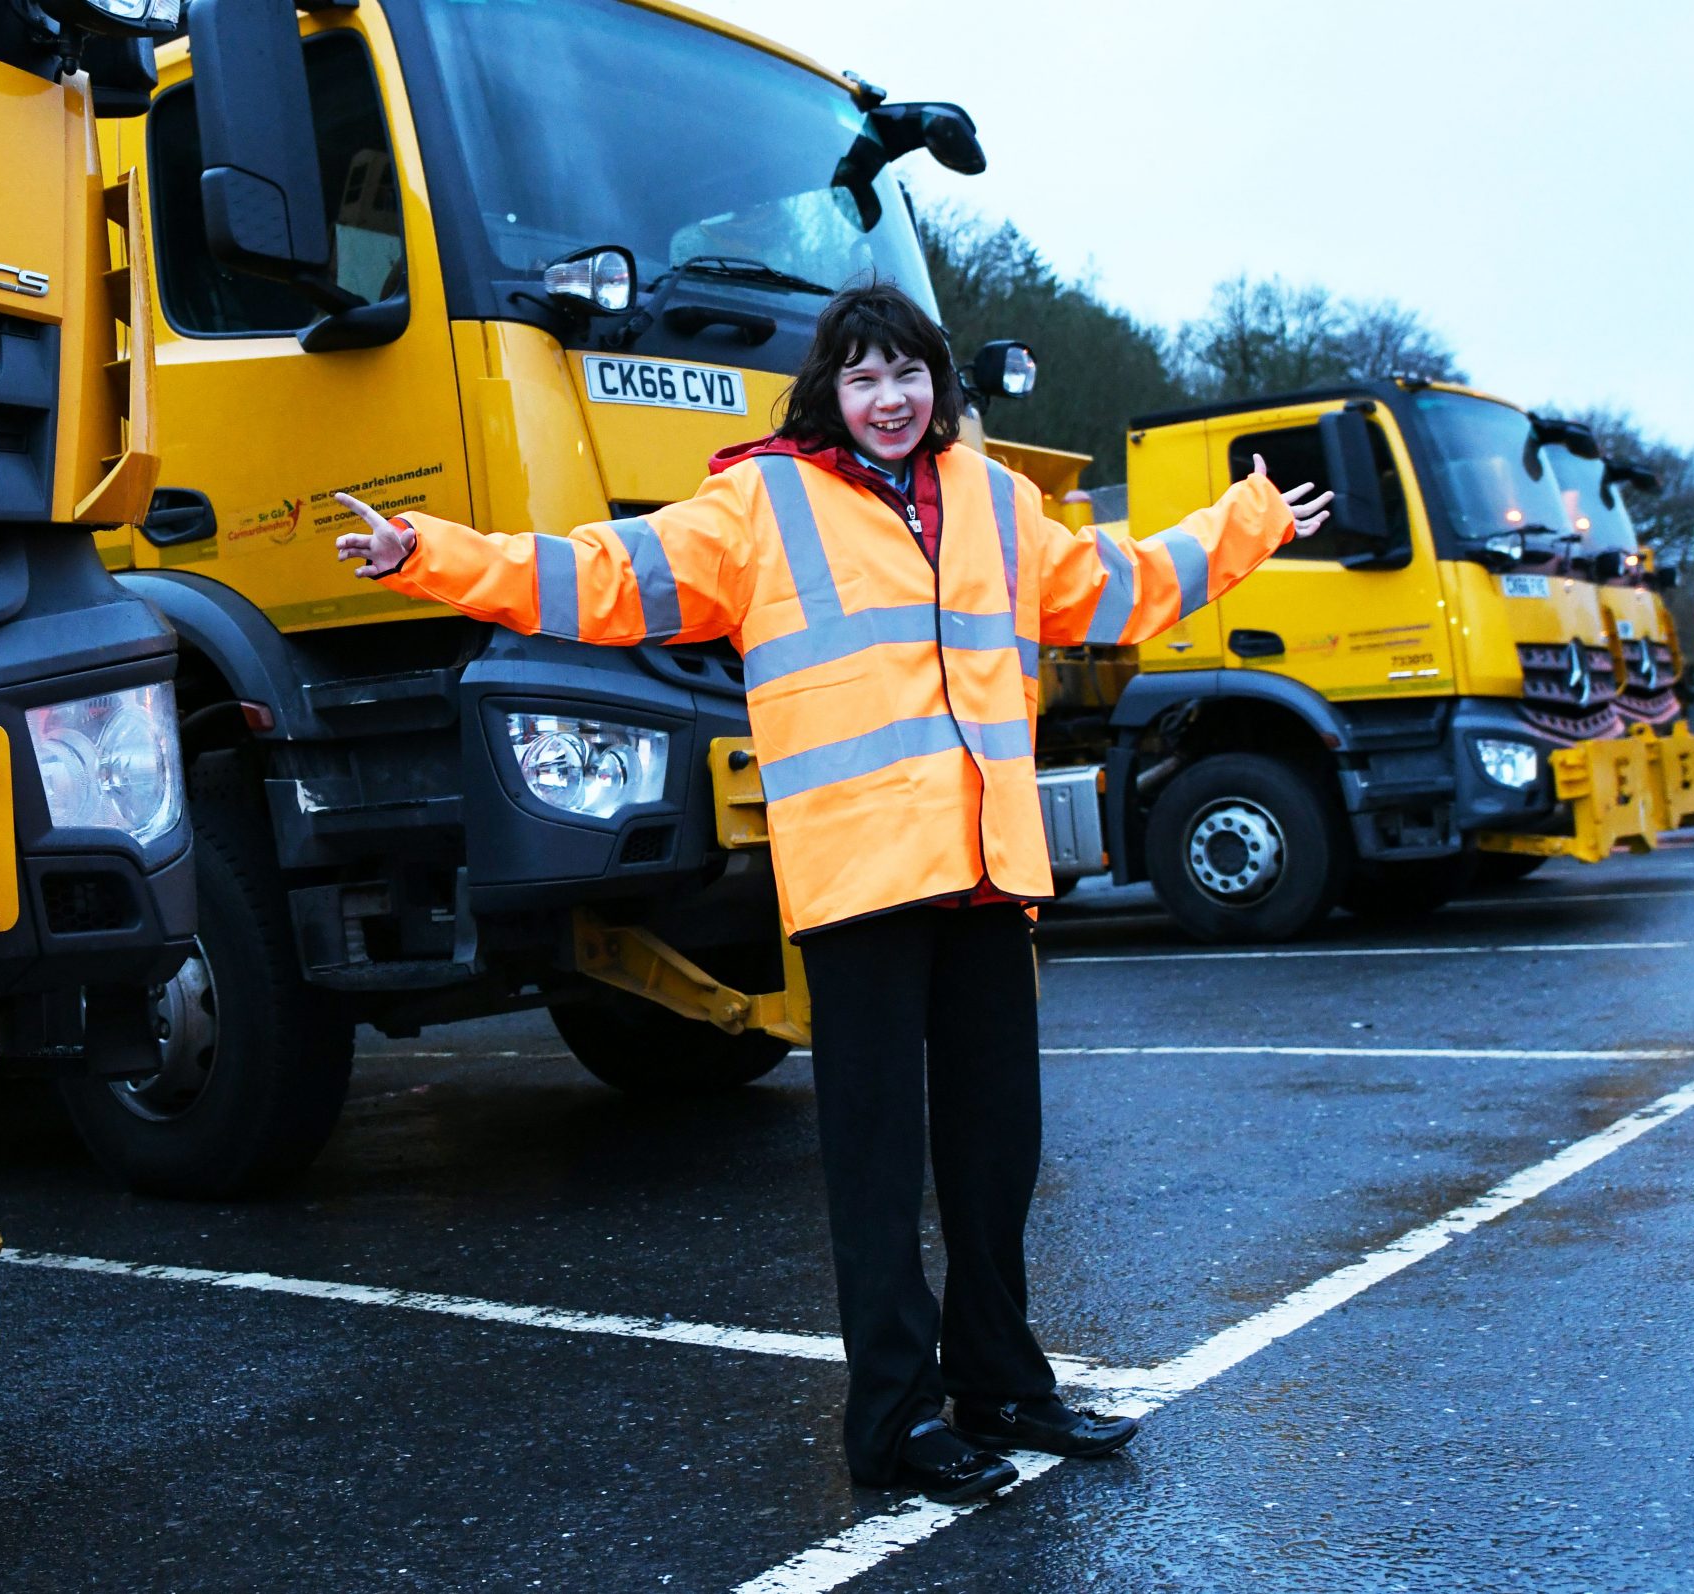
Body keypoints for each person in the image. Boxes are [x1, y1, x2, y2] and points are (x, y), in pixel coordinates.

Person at [333, 282, 1329, 1504]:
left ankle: (1004, 1383)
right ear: (829, 392)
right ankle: (894, 1421)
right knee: (873, 1161)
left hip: (984, 874)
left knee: (993, 1150)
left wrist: (1248, 522)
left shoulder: (996, 500)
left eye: (907, 373)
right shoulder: (760, 503)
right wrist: (426, 554)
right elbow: (603, 575)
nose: (889, 398)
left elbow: (1116, 585)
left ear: (937, 384)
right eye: (862, 377)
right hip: (860, 881)